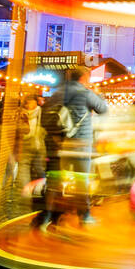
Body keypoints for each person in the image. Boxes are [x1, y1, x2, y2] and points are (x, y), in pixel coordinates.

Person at [33, 66, 108, 229]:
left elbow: (46, 117)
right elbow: (103, 109)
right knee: (81, 181)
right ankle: (85, 217)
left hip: (59, 145)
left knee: (55, 181)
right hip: (80, 144)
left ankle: (47, 217)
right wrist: (98, 94)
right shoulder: (86, 93)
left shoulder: (58, 93)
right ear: (84, 78)